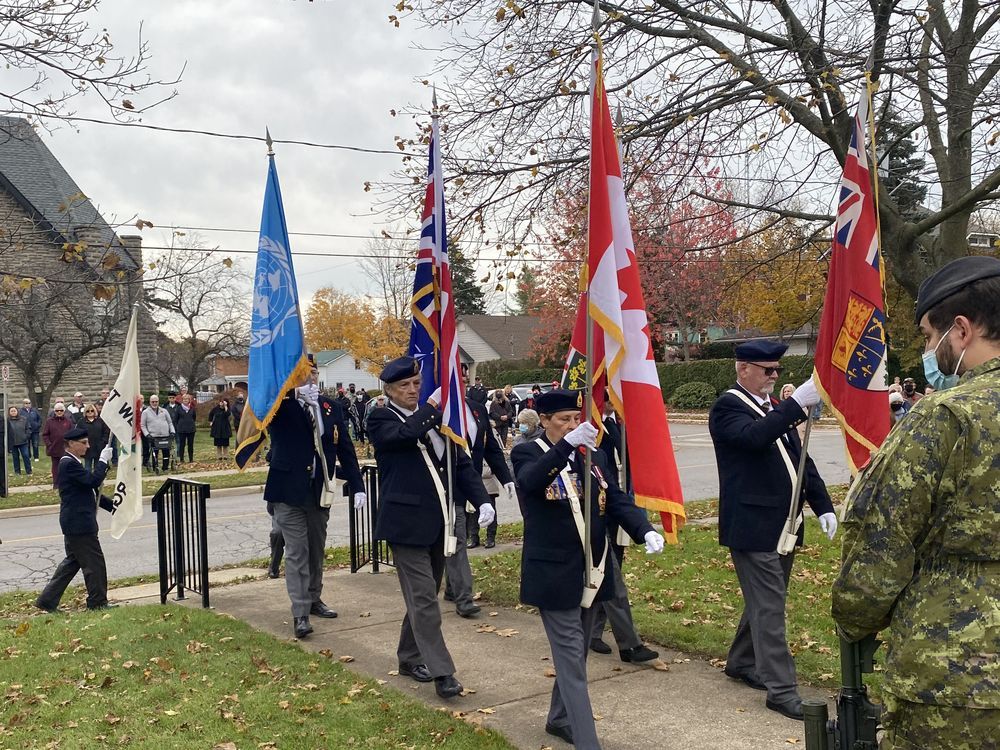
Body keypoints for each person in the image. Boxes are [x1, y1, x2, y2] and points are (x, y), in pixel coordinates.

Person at [832, 255, 1000, 748]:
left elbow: (879, 544)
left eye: (930, 337)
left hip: (957, 681)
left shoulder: (946, 417)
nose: (929, 350)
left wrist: (854, 618)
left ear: (961, 330)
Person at [512, 389, 665, 748]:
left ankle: (559, 717)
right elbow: (531, 482)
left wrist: (644, 529)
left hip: (593, 567)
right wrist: (566, 446)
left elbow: (614, 498)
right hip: (554, 572)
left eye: (575, 418)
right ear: (544, 421)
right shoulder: (528, 452)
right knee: (570, 659)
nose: (571, 425)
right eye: (563, 419)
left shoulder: (591, 455)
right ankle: (587, 741)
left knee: (577, 655)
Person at [708, 339, 837, 721]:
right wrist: (795, 406)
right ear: (743, 368)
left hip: (784, 525)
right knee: (770, 607)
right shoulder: (728, 407)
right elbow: (754, 438)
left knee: (765, 601)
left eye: (777, 370)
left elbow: (801, 460)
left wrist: (823, 506)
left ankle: (742, 661)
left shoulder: (772, 409)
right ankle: (781, 690)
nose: (774, 376)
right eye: (768, 370)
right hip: (753, 526)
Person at [367, 356, 495, 700]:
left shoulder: (437, 419)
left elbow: (461, 463)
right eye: (404, 386)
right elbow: (405, 434)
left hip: (439, 522)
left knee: (424, 597)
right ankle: (443, 672)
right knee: (425, 599)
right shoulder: (381, 418)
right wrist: (433, 407)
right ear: (389, 390)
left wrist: (482, 500)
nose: (412, 390)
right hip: (405, 525)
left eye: (416, 384)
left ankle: (409, 657)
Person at [263, 356, 365, 639]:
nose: (310, 378)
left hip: (319, 490)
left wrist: (357, 484)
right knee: (297, 553)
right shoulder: (280, 406)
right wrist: (291, 395)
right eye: (303, 373)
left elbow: (344, 448)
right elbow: (261, 409)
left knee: (316, 549)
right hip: (288, 492)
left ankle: (313, 597)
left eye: (314, 373)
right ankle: (300, 613)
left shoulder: (330, 407)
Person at [589, 399, 659, 665]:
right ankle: (628, 643)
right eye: (608, 396)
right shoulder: (593, 426)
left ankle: (595, 632)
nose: (612, 402)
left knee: (609, 577)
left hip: (619, 505)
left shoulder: (617, 425)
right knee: (611, 580)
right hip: (599, 514)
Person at [444, 396, 513, 617]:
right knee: (455, 539)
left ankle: (456, 591)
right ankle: (460, 594)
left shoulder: (476, 409)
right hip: (448, 487)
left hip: (472, 483)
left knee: (458, 539)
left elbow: (490, 448)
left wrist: (506, 478)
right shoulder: (438, 408)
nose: (463, 381)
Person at [35, 426, 116, 612]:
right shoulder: (68, 463)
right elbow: (92, 481)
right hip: (79, 523)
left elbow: (91, 492)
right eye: (84, 443)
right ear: (71, 444)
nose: (88, 446)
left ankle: (47, 601)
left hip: (76, 522)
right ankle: (98, 603)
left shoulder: (73, 462)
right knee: (94, 564)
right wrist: (102, 461)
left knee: (72, 563)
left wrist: (114, 508)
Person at [42, 403, 75, 487]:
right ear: (54, 411)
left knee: (66, 466)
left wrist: (70, 444)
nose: (59, 412)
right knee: (55, 467)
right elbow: (45, 435)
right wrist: (49, 444)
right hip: (54, 448)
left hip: (66, 448)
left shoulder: (68, 421)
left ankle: (66, 482)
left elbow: (72, 433)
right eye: (57, 411)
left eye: (61, 410)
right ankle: (56, 483)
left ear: (64, 411)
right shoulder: (49, 421)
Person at [141, 395, 175, 474]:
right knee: (155, 453)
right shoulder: (145, 412)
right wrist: (147, 434)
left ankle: (165, 467)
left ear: (158, 402)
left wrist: (172, 432)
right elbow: (143, 425)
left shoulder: (164, 411)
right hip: (154, 436)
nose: (154, 403)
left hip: (165, 435)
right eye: (153, 402)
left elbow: (170, 422)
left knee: (166, 452)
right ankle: (155, 467)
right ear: (150, 402)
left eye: (156, 401)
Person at [81, 404, 110, 473]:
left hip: (99, 447)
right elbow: (79, 434)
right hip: (87, 448)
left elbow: (106, 432)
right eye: (88, 411)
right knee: (87, 468)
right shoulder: (81, 422)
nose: (90, 412)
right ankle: (88, 479)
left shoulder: (100, 421)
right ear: (85, 412)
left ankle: (97, 479)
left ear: (95, 411)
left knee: (98, 467)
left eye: (92, 410)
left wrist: (103, 442)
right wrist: (83, 443)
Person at [6, 405, 32, 476]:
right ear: (9, 412)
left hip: (23, 442)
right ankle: (17, 472)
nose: (13, 412)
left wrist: (26, 436)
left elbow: (28, 428)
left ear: (17, 411)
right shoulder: (7, 421)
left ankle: (29, 471)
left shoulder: (23, 419)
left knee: (26, 456)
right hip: (13, 443)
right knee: (15, 458)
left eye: (14, 411)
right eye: (11, 411)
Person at [20, 397, 42, 462]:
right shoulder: (20, 412)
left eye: (29, 403)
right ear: (23, 404)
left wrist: (38, 425)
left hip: (35, 431)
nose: (28, 404)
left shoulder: (34, 411)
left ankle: (36, 457)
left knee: (35, 444)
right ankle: (29, 456)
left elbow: (39, 419)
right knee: (27, 445)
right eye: (26, 403)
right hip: (26, 431)